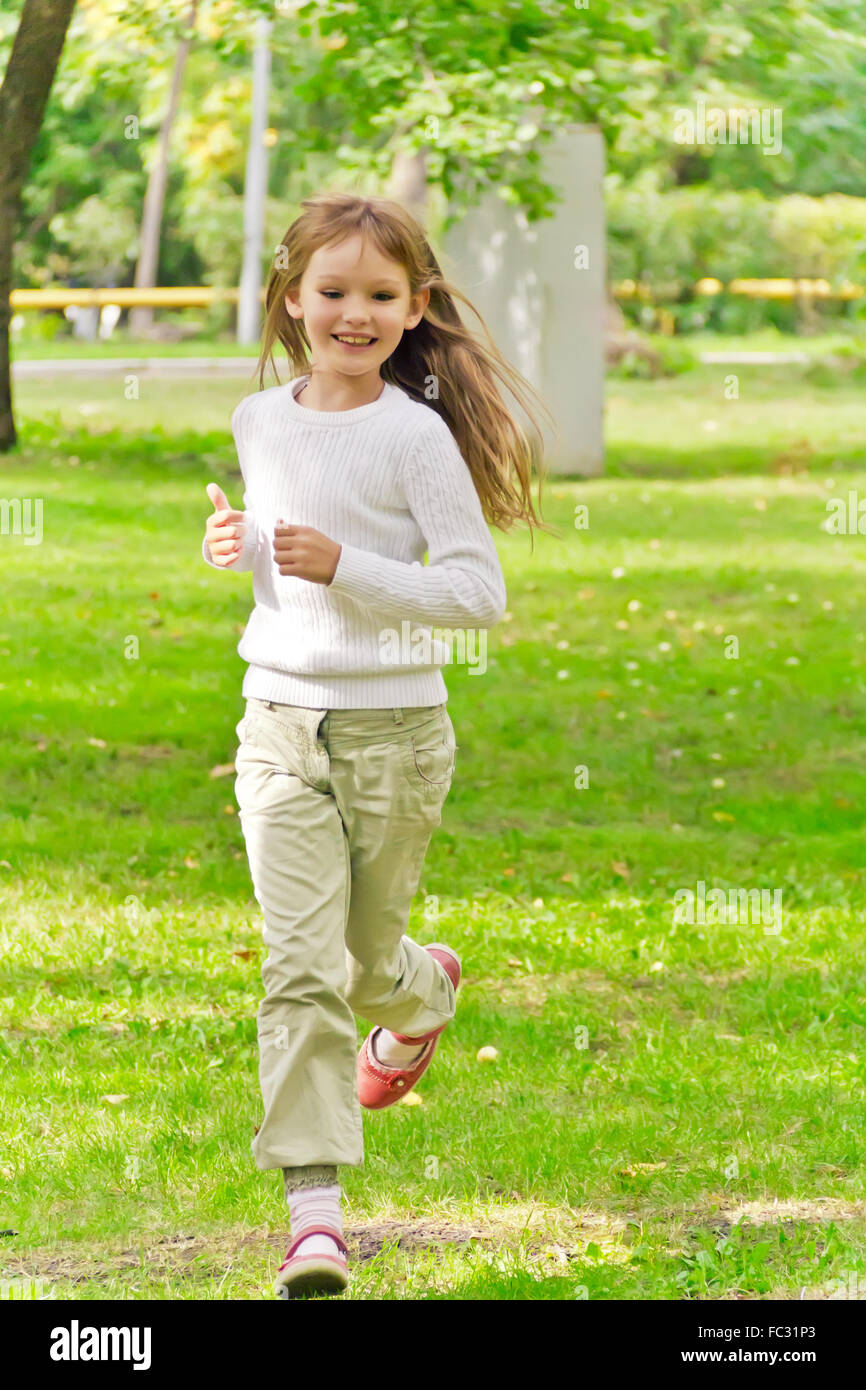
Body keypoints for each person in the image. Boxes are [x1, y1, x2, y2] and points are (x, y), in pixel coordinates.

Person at [202, 191, 557, 1299]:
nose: (352, 313)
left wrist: (340, 561)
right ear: (293, 298)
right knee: (299, 970)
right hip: (277, 726)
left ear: (412, 310)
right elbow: (281, 554)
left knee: (362, 966)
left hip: (394, 735)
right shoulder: (260, 419)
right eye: (332, 292)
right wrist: (242, 545)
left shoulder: (414, 434)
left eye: (378, 296)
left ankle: (421, 993)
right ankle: (315, 1217)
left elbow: (475, 593)